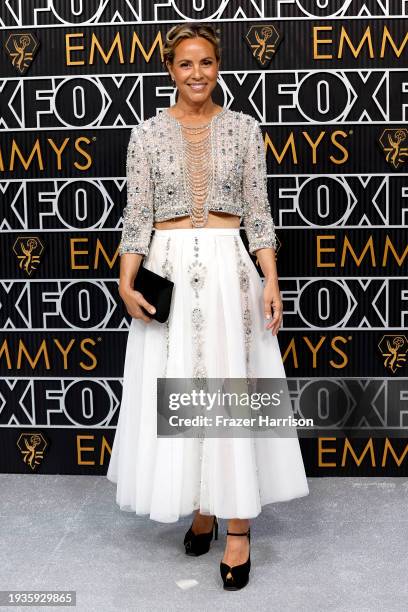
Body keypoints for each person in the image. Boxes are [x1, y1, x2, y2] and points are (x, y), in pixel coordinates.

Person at [107, 22, 309, 591]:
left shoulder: (245, 130)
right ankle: (202, 504)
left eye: (207, 63)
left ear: (219, 68)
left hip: (228, 269)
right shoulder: (145, 135)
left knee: (230, 390)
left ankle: (237, 525)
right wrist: (126, 283)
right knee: (179, 392)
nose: (197, 74)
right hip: (168, 270)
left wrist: (270, 280)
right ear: (170, 70)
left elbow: (260, 212)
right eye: (185, 64)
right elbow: (136, 217)